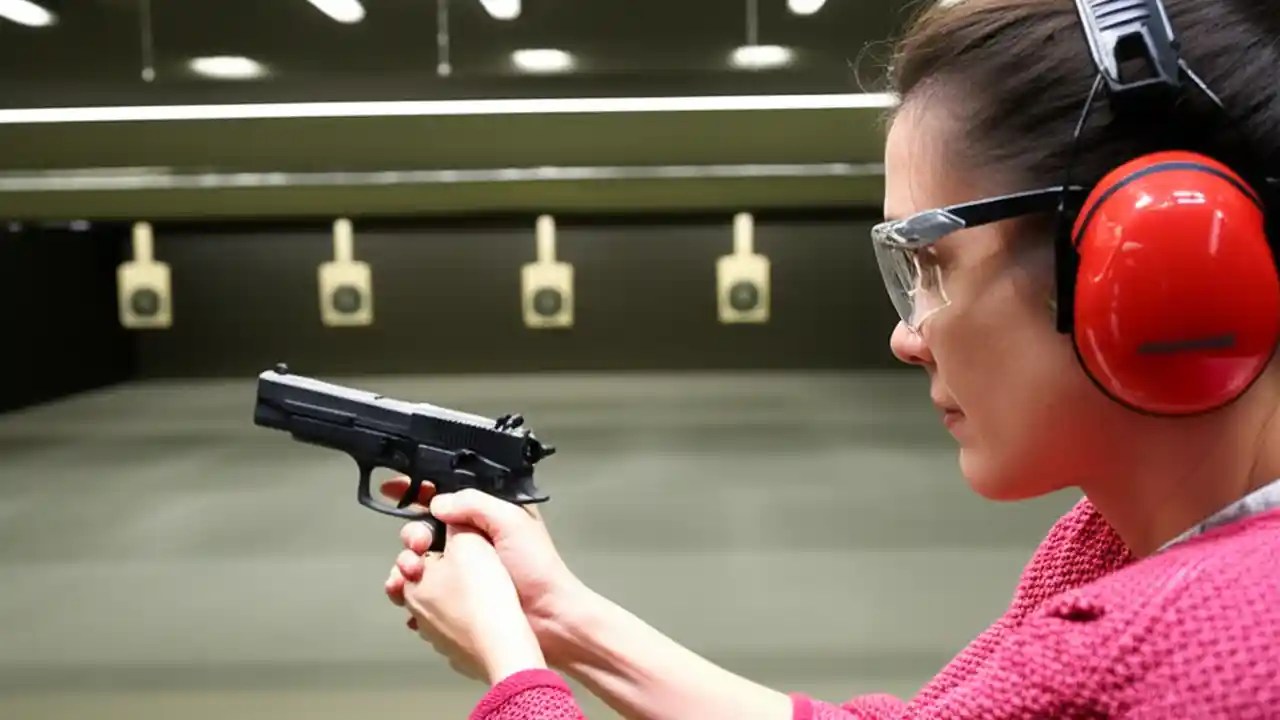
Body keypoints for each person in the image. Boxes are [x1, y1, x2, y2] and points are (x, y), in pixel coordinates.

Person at [383, 0, 1280, 717]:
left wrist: (514, 676)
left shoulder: (1222, 651)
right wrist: (561, 621)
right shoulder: (1108, 541)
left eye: (931, 263)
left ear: (1156, 268)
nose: (907, 334)